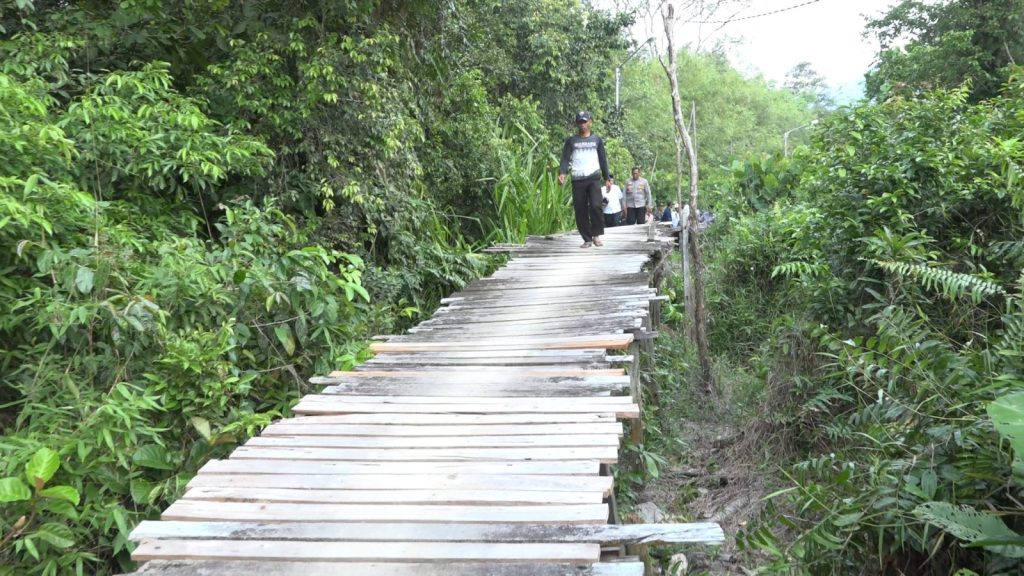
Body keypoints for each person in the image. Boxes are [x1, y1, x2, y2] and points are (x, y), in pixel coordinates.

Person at [558, 111, 611, 248]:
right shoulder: (571, 141)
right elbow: (565, 158)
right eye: (580, 122)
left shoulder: (597, 140)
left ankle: (596, 235)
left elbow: (602, 159)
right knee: (580, 209)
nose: (583, 125)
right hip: (577, 179)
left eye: (585, 121)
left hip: (593, 177)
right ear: (577, 124)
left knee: (596, 206)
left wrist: (607, 178)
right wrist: (562, 172)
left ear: (590, 122)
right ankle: (587, 239)